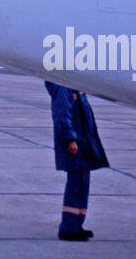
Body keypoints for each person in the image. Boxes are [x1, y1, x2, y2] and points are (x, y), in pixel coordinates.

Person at [45, 82, 109, 240]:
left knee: (82, 184)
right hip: (75, 144)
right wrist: (70, 139)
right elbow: (61, 115)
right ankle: (68, 228)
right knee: (75, 185)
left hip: (83, 143)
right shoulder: (62, 86)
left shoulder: (75, 85)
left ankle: (76, 224)